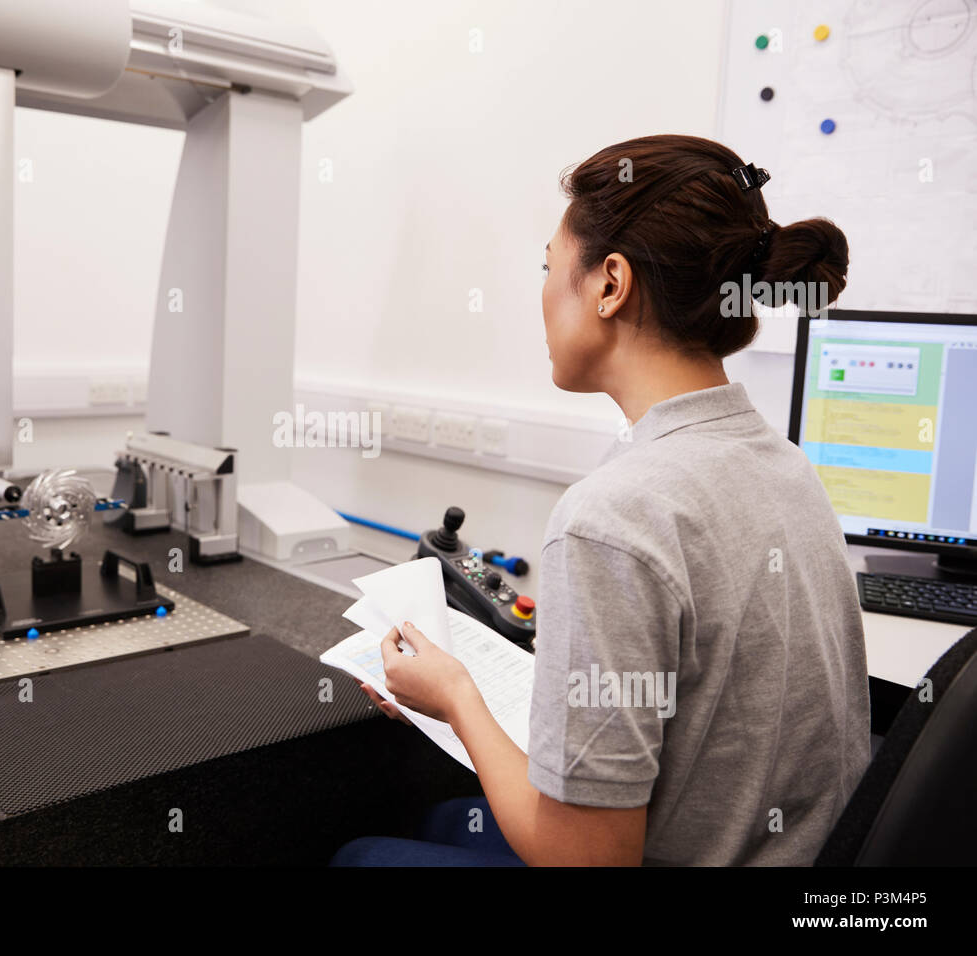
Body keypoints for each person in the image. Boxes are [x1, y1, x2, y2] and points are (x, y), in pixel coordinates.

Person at [332, 134, 871, 866]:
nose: (545, 290)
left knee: (361, 855)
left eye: (550, 266)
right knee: (442, 823)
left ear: (610, 284)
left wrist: (457, 699)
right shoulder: (786, 467)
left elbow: (586, 860)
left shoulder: (612, 516)